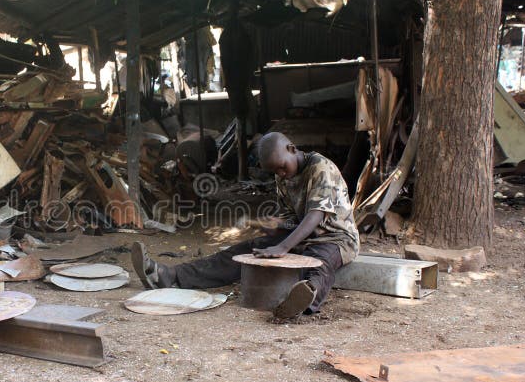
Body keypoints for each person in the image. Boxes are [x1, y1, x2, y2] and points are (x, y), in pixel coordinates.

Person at [132, 131, 359, 318]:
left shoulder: (321, 168)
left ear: (291, 148)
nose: (280, 174)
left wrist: (282, 247)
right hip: (301, 234)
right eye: (275, 172)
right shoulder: (283, 176)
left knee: (320, 263)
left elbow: (314, 216)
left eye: (282, 167)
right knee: (245, 251)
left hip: (335, 238)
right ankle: (170, 275)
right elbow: (291, 219)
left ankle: (302, 301)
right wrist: (274, 226)